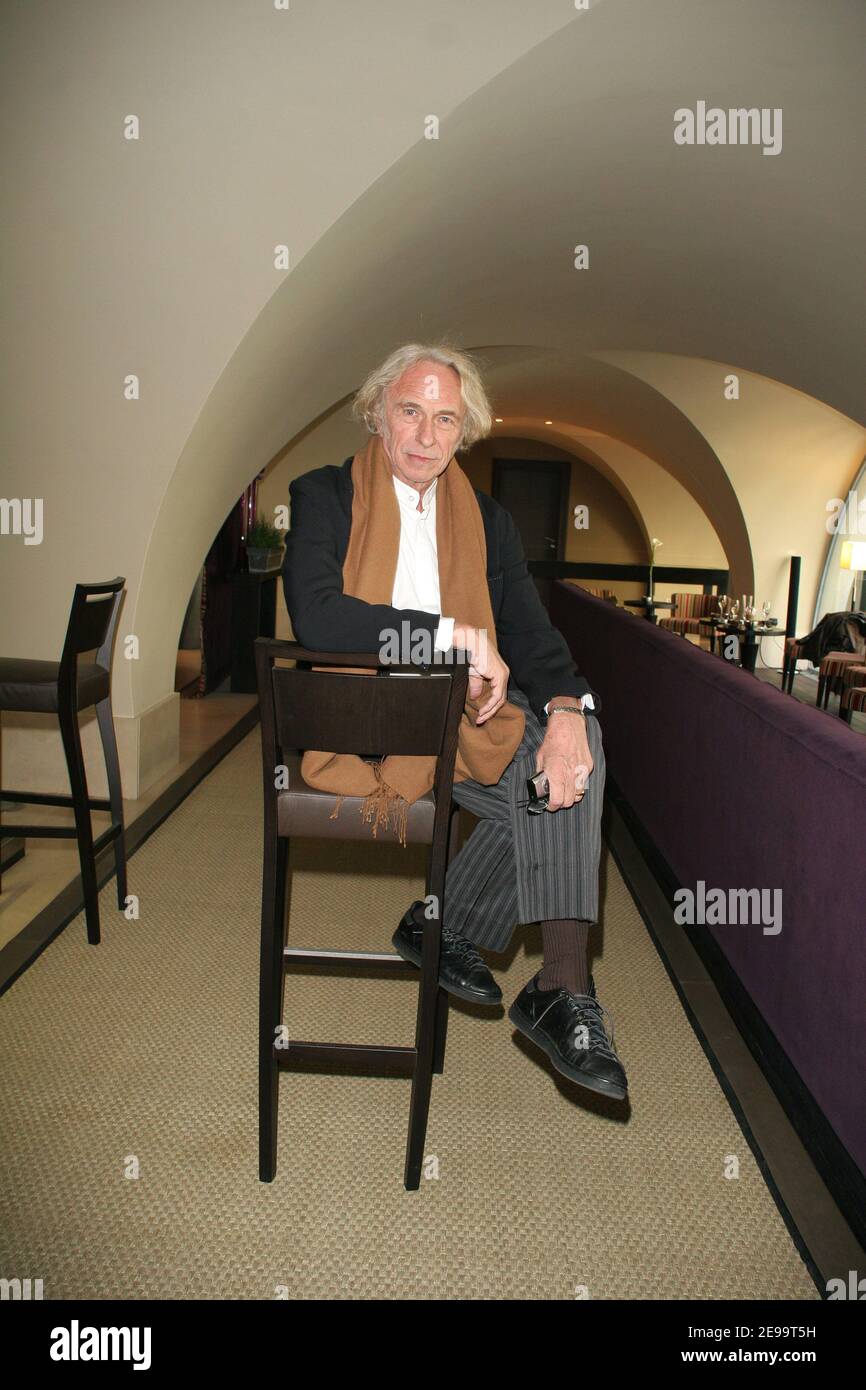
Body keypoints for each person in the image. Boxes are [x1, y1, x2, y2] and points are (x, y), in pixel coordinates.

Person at [282, 343, 627, 1101]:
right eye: (410, 410)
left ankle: (562, 987)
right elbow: (319, 614)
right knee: (543, 796)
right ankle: (450, 928)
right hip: (361, 719)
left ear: (463, 430)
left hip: (458, 723)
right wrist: (447, 635)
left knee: (568, 758)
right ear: (378, 411)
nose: (426, 435)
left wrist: (568, 709)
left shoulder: (488, 522)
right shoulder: (323, 495)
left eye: (446, 418)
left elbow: (532, 636)